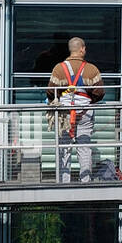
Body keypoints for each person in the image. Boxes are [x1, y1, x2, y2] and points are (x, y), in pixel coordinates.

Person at [47, 37, 105, 183]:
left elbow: (50, 92)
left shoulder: (59, 69)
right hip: (85, 112)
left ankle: (63, 181)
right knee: (84, 147)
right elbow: (99, 92)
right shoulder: (92, 69)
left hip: (64, 114)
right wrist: (89, 101)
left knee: (64, 147)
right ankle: (85, 180)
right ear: (82, 49)